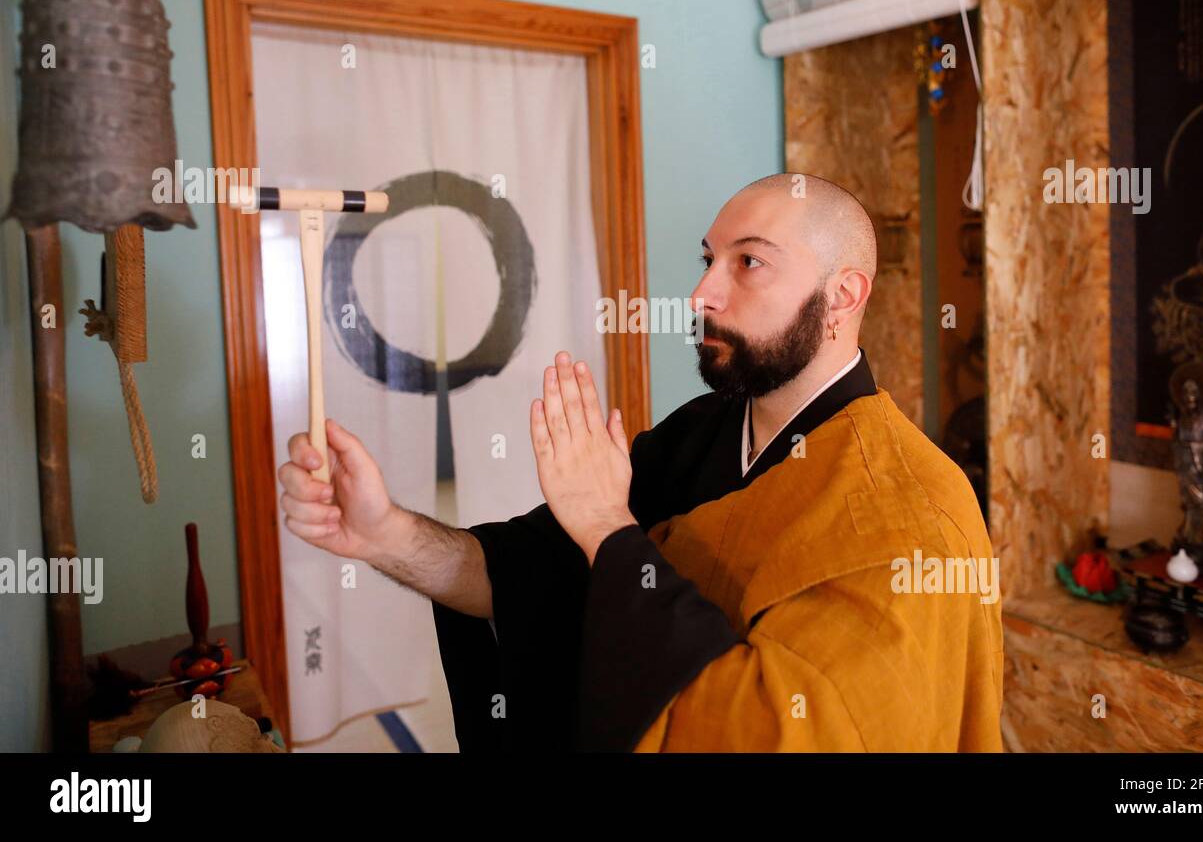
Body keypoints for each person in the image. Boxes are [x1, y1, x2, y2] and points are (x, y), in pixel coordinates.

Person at [277, 173, 1004, 752]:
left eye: (748, 262)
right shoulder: (698, 434)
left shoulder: (910, 514)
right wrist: (383, 533)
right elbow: (528, 582)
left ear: (843, 296)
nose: (703, 294)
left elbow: (781, 731)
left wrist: (605, 527)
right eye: (707, 259)